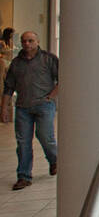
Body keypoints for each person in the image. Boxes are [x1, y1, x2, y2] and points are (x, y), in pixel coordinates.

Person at [1, 31, 59, 189]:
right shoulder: (16, 63)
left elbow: (62, 78)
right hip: (22, 108)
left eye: (30, 41)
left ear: (37, 41)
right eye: (24, 41)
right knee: (23, 142)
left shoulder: (48, 59)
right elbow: (8, 87)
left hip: (44, 105)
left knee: (45, 136)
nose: (27, 44)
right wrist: (4, 108)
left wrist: (51, 97)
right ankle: (24, 176)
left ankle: (55, 160)